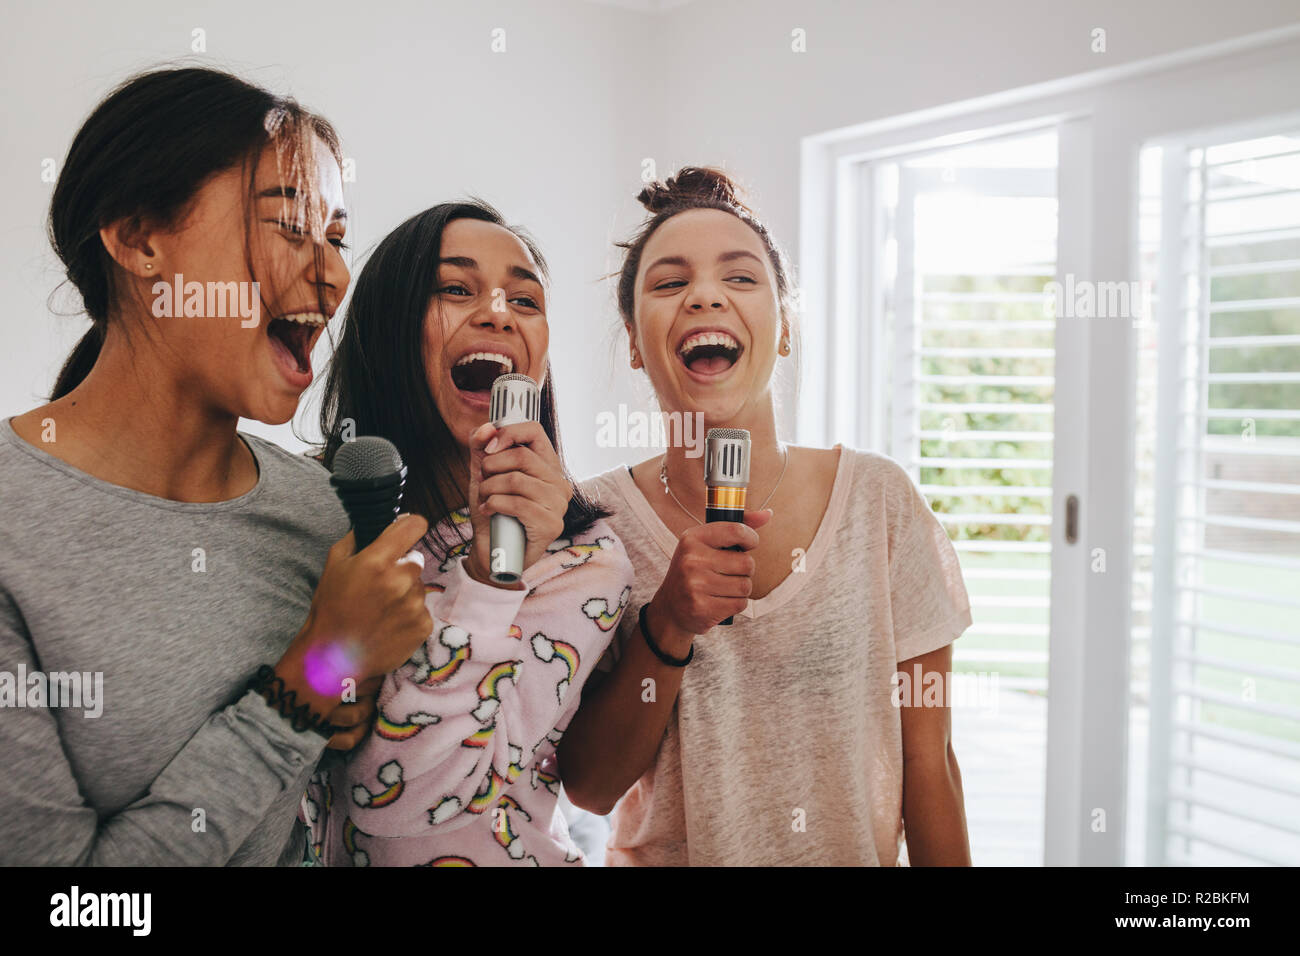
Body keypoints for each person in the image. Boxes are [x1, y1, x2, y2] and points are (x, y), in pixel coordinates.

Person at [0, 67, 433, 866]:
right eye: (292, 226)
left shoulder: (323, 516)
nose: (333, 274)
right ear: (138, 238)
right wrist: (307, 680)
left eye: (337, 237)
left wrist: (351, 688)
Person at [559, 167, 974, 866]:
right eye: (668, 283)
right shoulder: (593, 522)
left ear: (784, 327)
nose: (706, 296)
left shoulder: (880, 502)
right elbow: (591, 789)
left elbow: (930, 768)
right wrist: (666, 624)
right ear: (634, 341)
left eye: (741, 278)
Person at [303, 200, 634, 866]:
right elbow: (306, 704)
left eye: (525, 299)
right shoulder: (314, 516)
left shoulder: (583, 563)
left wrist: (492, 572)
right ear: (390, 329)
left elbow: (407, 801)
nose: (497, 313)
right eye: (455, 289)